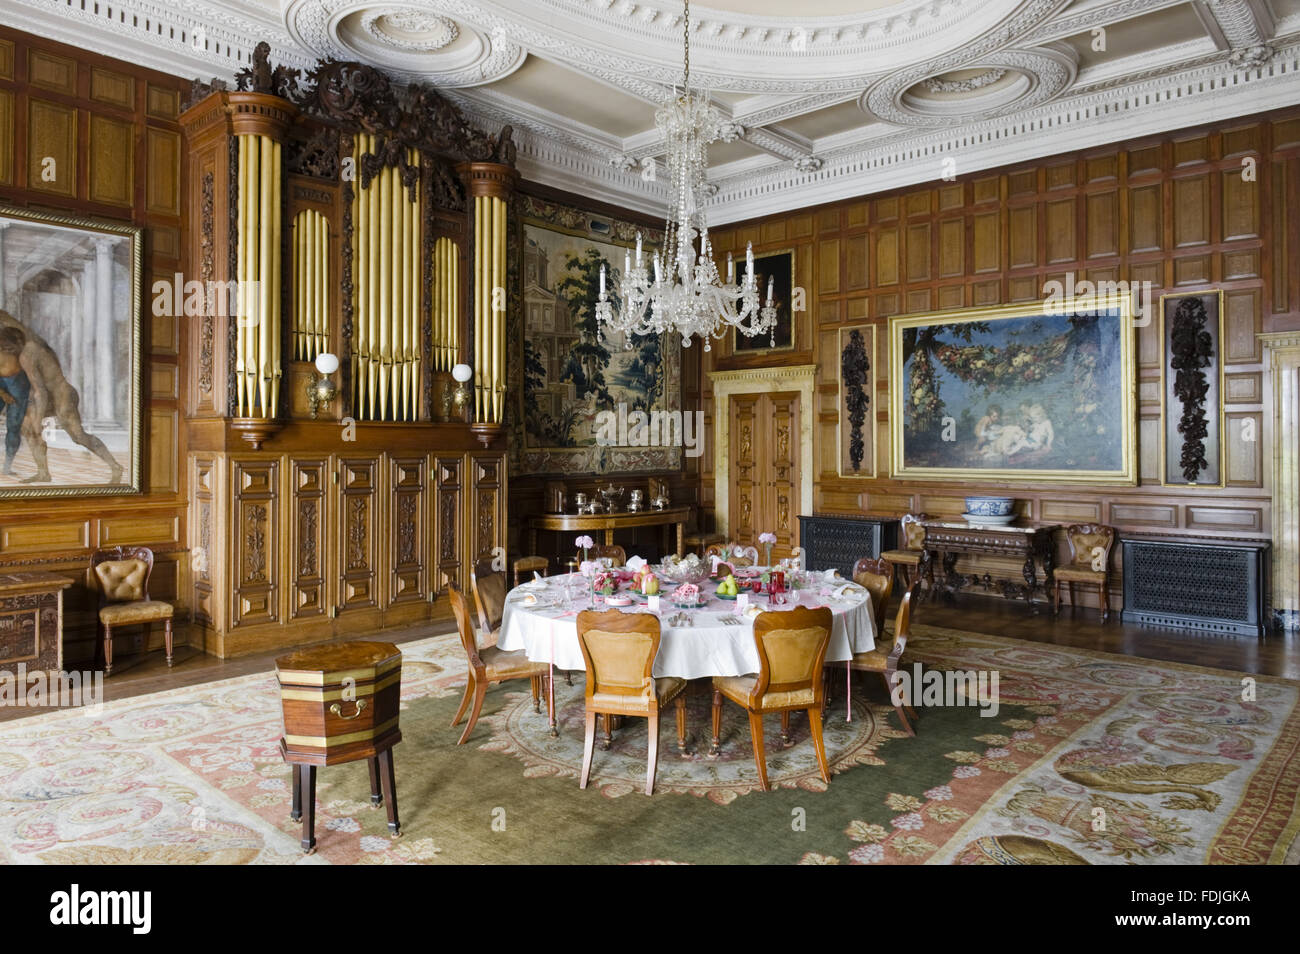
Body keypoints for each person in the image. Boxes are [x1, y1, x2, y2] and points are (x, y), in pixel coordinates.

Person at [0, 310, 124, 484]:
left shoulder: (28, 353)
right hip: (49, 395)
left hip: (62, 395)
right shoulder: (29, 344)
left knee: (78, 436)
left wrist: (38, 423)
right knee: (28, 429)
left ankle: (115, 467)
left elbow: (40, 391)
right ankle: (43, 473)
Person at [0, 327, 30, 475]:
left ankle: (7, 466)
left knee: (14, 427)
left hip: (19, 383)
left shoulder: (22, 356)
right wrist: (3, 394)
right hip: (2, 385)